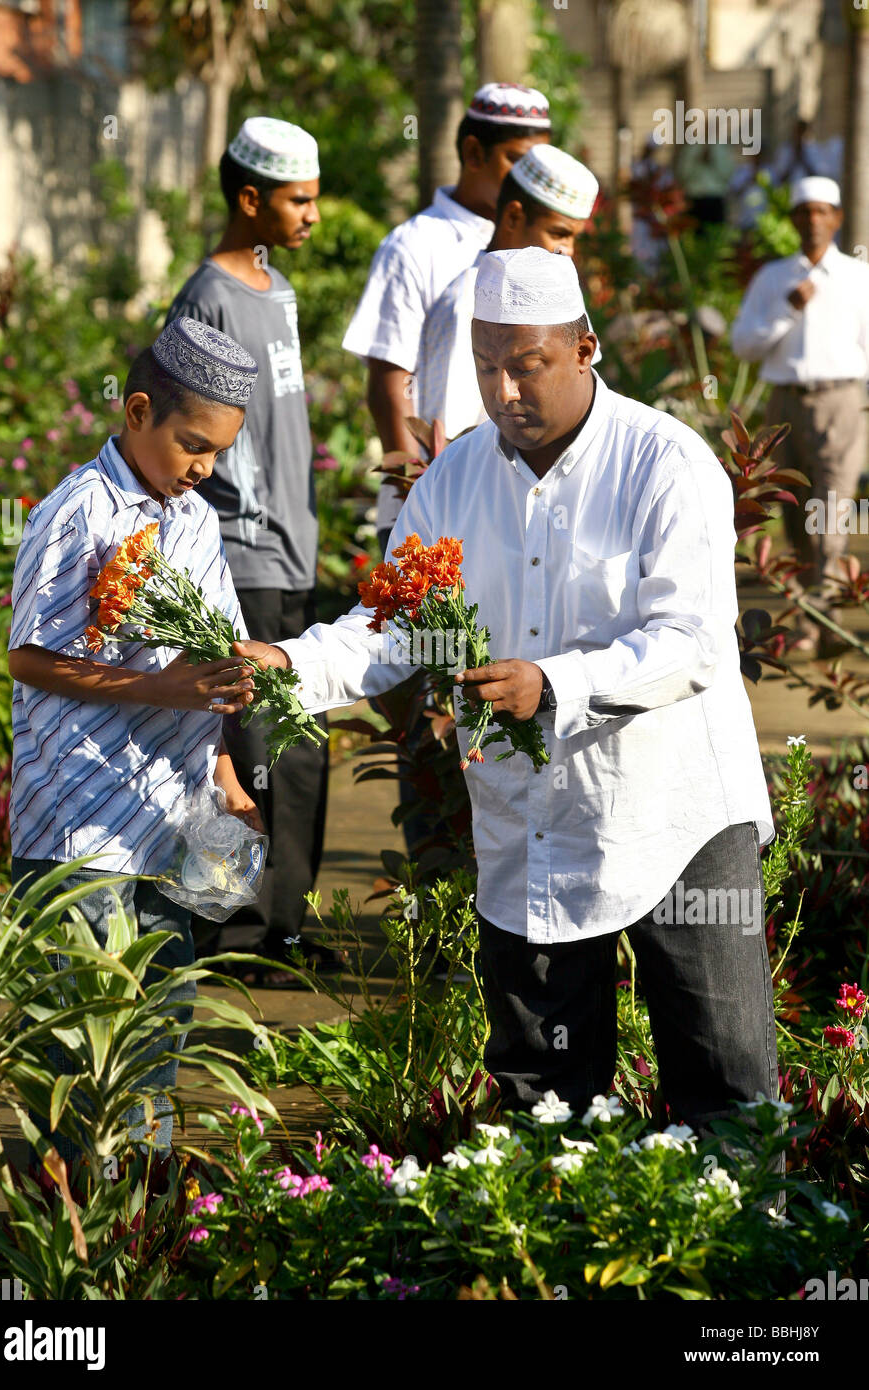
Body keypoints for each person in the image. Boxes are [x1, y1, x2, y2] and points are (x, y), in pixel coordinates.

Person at [235, 248, 777, 1137]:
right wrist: (288, 665)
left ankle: (752, 1252)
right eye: (485, 368)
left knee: (722, 1079)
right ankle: (553, 1251)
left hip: (673, 811)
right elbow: (396, 626)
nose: (502, 392)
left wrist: (552, 682)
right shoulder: (455, 480)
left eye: (526, 366)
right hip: (532, 820)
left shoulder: (664, 464)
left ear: (583, 347)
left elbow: (688, 643)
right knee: (544, 1091)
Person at [7, 317, 263, 1159]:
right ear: (138, 411)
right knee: (75, 1027)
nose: (204, 468)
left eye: (218, 452)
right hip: (79, 821)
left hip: (170, 815)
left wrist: (225, 776)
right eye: (194, 444)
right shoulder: (75, 511)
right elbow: (29, 655)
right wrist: (157, 687)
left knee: (160, 1013)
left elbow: (211, 665)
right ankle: (69, 1206)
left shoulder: (191, 517)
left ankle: (135, 1199)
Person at [167, 117, 332, 984]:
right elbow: (188, 431)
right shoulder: (211, 296)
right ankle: (238, 932)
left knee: (300, 743)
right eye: (299, 198)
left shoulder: (275, 287)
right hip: (242, 555)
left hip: (293, 553)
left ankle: (286, 927)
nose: (313, 213)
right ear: (249, 197)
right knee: (257, 746)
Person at [342, 81, 552, 556]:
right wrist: (416, 488)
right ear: (474, 151)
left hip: (506, 501)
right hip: (427, 505)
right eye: (517, 161)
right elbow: (387, 382)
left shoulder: (537, 248)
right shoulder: (415, 245)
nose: (528, 178)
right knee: (432, 633)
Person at [731, 176, 869, 656]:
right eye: (803, 212)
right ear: (793, 219)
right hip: (785, 404)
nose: (812, 220)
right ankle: (816, 612)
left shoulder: (857, 277)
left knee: (831, 507)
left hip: (841, 401)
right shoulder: (773, 279)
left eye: (821, 211)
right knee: (794, 510)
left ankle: (819, 615)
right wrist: (787, 312)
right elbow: (743, 344)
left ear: (835, 218)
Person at [419, 144, 600, 441]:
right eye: (558, 233)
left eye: (574, 238)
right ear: (514, 217)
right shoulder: (469, 298)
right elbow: (448, 435)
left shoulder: (559, 292)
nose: (567, 250)